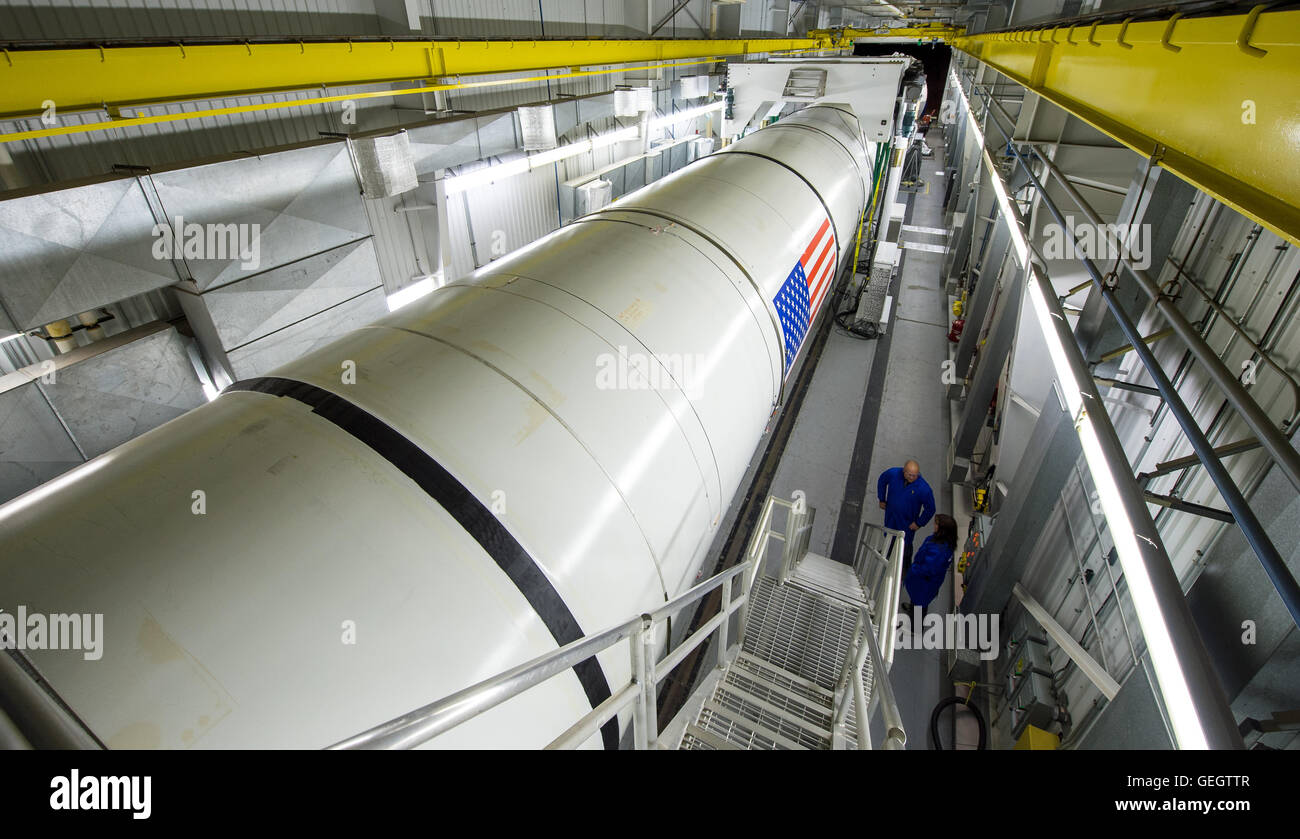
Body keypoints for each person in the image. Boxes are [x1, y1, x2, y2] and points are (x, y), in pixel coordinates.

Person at [876, 459, 935, 578]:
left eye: (915, 475)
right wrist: (881, 499)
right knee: (889, 536)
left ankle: (904, 566)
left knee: (905, 545)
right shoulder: (893, 474)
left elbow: (930, 508)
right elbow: (882, 480)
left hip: (906, 524)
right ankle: (888, 553)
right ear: (904, 471)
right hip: (891, 518)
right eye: (910, 474)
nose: (913, 477)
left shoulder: (923, 489)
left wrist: (919, 523)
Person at [903, 514, 960, 613]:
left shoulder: (939, 552)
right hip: (926, 583)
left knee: (920, 605)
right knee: (918, 601)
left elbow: (926, 570)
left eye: (936, 524)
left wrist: (912, 570)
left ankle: (915, 627)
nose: (934, 525)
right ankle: (913, 608)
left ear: (943, 530)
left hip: (923, 583)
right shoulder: (943, 542)